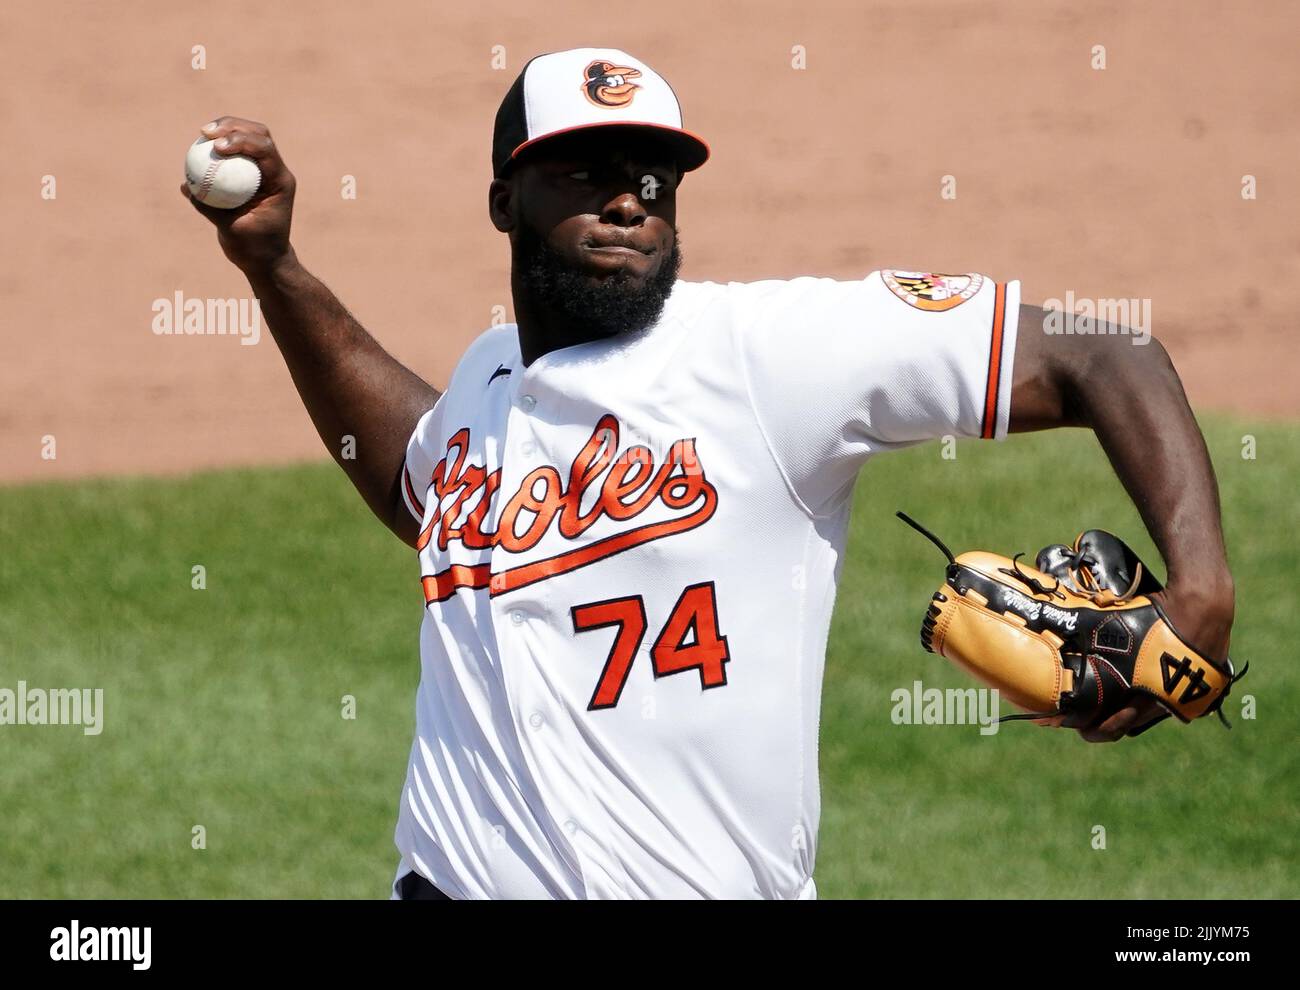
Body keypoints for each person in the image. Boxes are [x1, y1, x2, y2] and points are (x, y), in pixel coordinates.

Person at [184, 48, 1236, 900]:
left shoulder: (765, 354)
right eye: (585, 170)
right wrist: (273, 271)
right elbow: (422, 483)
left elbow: (1104, 352)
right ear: (504, 202)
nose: (629, 199)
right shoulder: (484, 386)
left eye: (651, 173)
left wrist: (1201, 590)